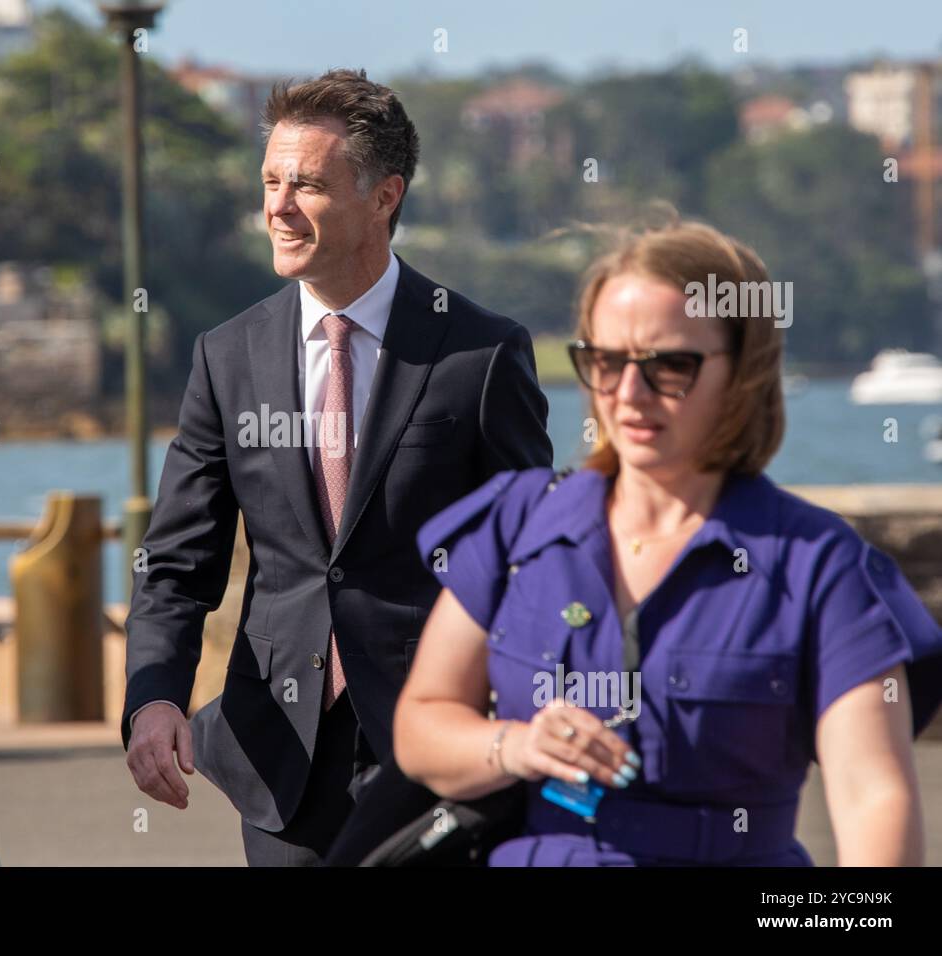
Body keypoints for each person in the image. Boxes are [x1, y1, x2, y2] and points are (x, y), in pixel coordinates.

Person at [393, 219, 942, 866]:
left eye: (670, 366)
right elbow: (422, 724)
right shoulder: (518, 525)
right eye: (605, 362)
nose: (629, 393)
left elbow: (874, 798)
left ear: (745, 373)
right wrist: (514, 746)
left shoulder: (820, 567)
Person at [122, 68, 553, 865]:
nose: (278, 208)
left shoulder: (481, 353)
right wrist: (154, 698)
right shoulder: (227, 357)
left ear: (384, 196)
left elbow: (531, 563)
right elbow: (178, 563)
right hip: (277, 754)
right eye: (272, 182)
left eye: (308, 185)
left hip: (435, 744)